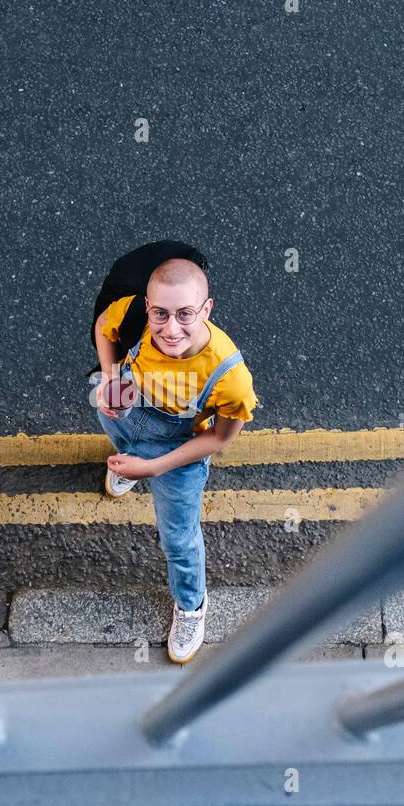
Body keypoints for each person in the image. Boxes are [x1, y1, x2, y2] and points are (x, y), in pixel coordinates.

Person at [91, 257, 257, 663]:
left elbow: (218, 438)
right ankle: (128, 459)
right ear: (146, 306)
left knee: (178, 541)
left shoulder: (231, 379)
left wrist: (151, 468)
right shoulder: (131, 310)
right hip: (131, 409)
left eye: (185, 314)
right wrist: (111, 379)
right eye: (160, 313)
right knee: (98, 401)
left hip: (178, 447)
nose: (170, 328)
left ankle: (191, 606)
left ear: (207, 310)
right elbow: (104, 328)